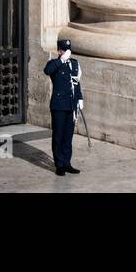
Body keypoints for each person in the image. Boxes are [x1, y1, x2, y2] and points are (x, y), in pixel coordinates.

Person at [43, 37, 83, 176]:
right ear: (59, 51)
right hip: (59, 106)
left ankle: (67, 163)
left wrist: (80, 99)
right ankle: (59, 164)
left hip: (71, 105)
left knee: (68, 136)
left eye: (68, 50)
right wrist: (61, 60)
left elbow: (76, 84)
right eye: (64, 50)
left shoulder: (74, 64)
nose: (66, 52)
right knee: (58, 136)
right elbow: (47, 71)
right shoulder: (54, 63)